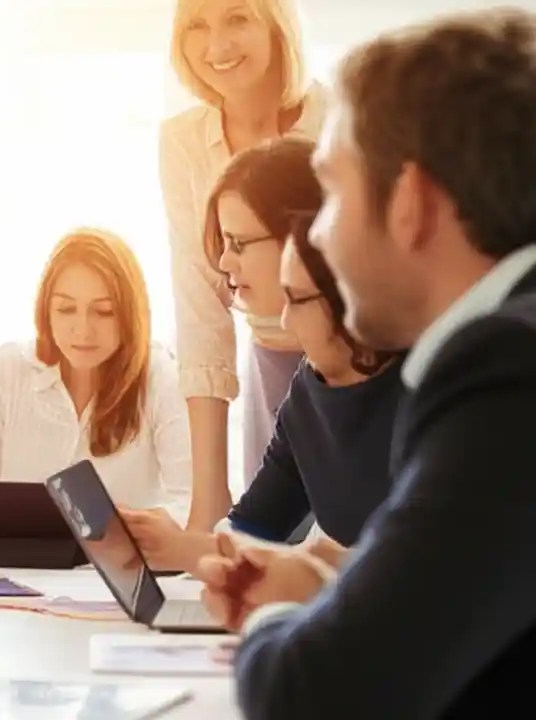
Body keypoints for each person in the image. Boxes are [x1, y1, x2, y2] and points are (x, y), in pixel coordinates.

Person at [193, 10, 536, 718]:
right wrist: (335, 589)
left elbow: (312, 695)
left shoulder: (506, 371)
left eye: (332, 194)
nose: (315, 238)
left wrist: (276, 614)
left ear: (409, 204)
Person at [122, 138, 404, 571]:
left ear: (306, 237)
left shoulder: (424, 376)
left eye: (238, 243)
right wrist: (171, 546)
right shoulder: (309, 389)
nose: (224, 262)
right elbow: (252, 528)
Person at [159, 0, 329, 525]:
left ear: (276, 23)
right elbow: (200, 311)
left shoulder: (342, 122)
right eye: (197, 26)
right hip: (270, 362)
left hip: (358, 366)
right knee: (261, 536)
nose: (216, 46)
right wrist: (208, 498)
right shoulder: (183, 141)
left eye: (237, 18)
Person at [0, 229, 193, 523]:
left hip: (122, 553)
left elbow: (191, 504)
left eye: (104, 311)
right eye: (66, 309)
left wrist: (127, 527)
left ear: (130, 314)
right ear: (46, 310)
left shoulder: (160, 377)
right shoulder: (8, 369)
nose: (83, 330)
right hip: (18, 553)